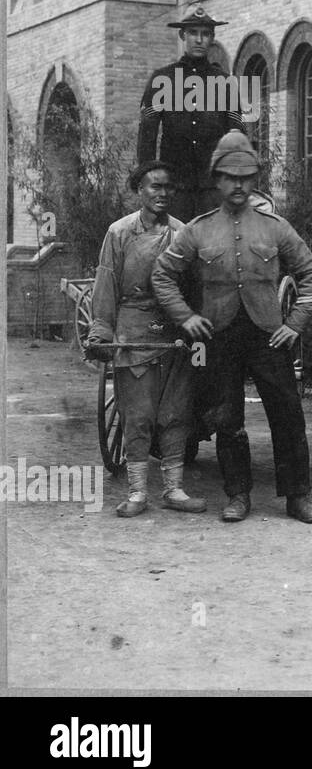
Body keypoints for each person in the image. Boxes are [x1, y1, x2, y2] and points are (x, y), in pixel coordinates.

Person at [152, 131, 312, 524]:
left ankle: (297, 497)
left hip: (268, 334)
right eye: (230, 177)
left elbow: (311, 273)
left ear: (255, 180)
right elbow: (163, 274)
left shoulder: (275, 227)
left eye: (246, 177)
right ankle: (238, 495)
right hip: (219, 337)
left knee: (287, 415)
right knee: (227, 418)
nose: (239, 185)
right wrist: (186, 316)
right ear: (217, 180)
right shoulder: (197, 230)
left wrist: (295, 323)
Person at [85, 161, 206, 517]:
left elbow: (196, 288)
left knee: (174, 413)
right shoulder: (119, 233)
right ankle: (138, 493)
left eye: (168, 187)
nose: (162, 193)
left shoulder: (184, 232)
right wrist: (101, 331)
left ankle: (174, 490)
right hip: (133, 330)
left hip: (174, 333)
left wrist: (194, 326)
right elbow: (106, 284)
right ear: (139, 190)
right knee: (137, 415)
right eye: (154, 186)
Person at [137, 4, 244, 222]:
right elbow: (147, 134)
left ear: (212, 38)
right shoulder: (163, 79)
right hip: (174, 188)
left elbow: (237, 136)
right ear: (182, 35)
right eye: (193, 33)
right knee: (175, 247)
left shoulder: (224, 82)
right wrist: (148, 182)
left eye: (205, 34)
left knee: (213, 248)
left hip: (212, 187)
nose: (199, 40)